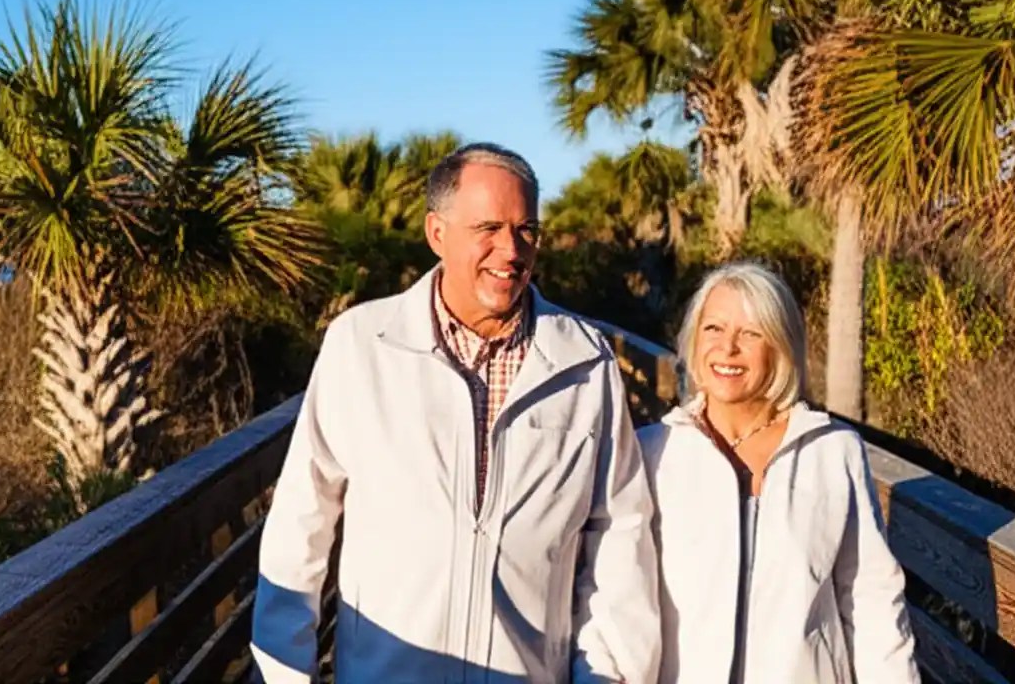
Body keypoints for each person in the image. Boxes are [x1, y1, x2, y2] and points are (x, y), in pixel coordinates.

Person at [251, 142, 661, 683]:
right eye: (488, 228)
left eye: (526, 231)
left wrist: (603, 675)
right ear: (436, 233)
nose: (511, 251)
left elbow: (619, 534)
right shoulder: (362, 345)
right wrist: (284, 674)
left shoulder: (585, 362)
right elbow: (302, 520)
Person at [638, 262, 919, 683]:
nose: (728, 347)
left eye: (751, 333)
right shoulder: (651, 452)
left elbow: (870, 598)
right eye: (714, 328)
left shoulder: (832, 451)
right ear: (693, 339)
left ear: (782, 346)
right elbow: (619, 599)